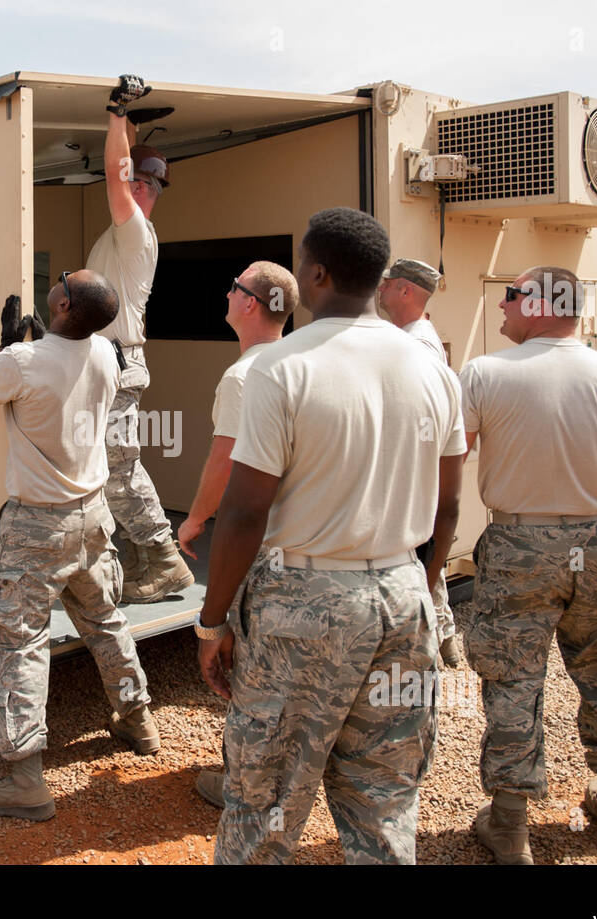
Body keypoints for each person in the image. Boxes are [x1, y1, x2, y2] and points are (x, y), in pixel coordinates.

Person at [195, 208, 465, 864]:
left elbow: (244, 511)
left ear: (316, 273)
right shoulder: (432, 366)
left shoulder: (280, 368)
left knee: (264, 804)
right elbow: (449, 506)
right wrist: (420, 592)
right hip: (403, 595)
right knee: (384, 797)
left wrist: (213, 622)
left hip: (305, 603)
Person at [460, 265, 597, 864]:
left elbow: (450, 459)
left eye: (511, 296)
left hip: (521, 546)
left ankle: (510, 826)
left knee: (513, 678)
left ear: (542, 303)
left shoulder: (486, 374)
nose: (501, 307)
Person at [0, 271, 159, 822]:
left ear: (62, 302)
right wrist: (36, 345)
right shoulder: (105, 356)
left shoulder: (21, 361)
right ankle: (138, 720)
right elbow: (67, 365)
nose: (57, 278)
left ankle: (24, 780)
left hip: (35, 527)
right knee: (104, 620)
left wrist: (3, 351)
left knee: (20, 643)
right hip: (91, 519)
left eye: (62, 281)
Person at [174, 260, 298, 809]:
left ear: (250, 303)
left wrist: (197, 518)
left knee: (251, 666)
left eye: (233, 287)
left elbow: (224, 463)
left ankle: (245, 784)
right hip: (310, 545)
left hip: (265, 547)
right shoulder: (304, 359)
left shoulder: (245, 376)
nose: (225, 293)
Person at [88, 73, 193, 604]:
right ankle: (139, 553)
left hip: (118, 362)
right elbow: (120, 168)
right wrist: (126, 124)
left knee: (118, 469)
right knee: (105, 467)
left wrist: (114, 111)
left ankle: (164, 556)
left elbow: (114, 170)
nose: (119, 187)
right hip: (104, 363)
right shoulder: (123, 232)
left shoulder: (133, 230)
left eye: (129, 182)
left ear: (139, 188)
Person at [377, 257, 465, 668]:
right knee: (429, 558)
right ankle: (445, 638)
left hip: (412, 472)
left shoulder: (414, 345)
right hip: (422, 471)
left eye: (388, 284)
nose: (381, 290)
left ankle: (434, 640)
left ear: (406, 291)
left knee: (422, 561)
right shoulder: (414, 336)